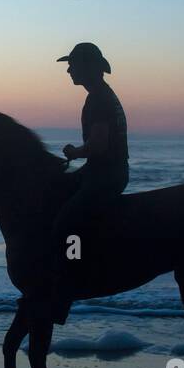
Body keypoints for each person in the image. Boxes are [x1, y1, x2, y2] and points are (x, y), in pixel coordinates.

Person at [44, 43, 129, 320]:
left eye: (73, 65)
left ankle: (67, 288)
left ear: (89, 68)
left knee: (65, 222)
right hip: (102, 171)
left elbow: (99, 145)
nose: (68, 70)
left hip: (106, 175)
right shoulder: (101, 95)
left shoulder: (98, 99)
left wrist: (74, 152)